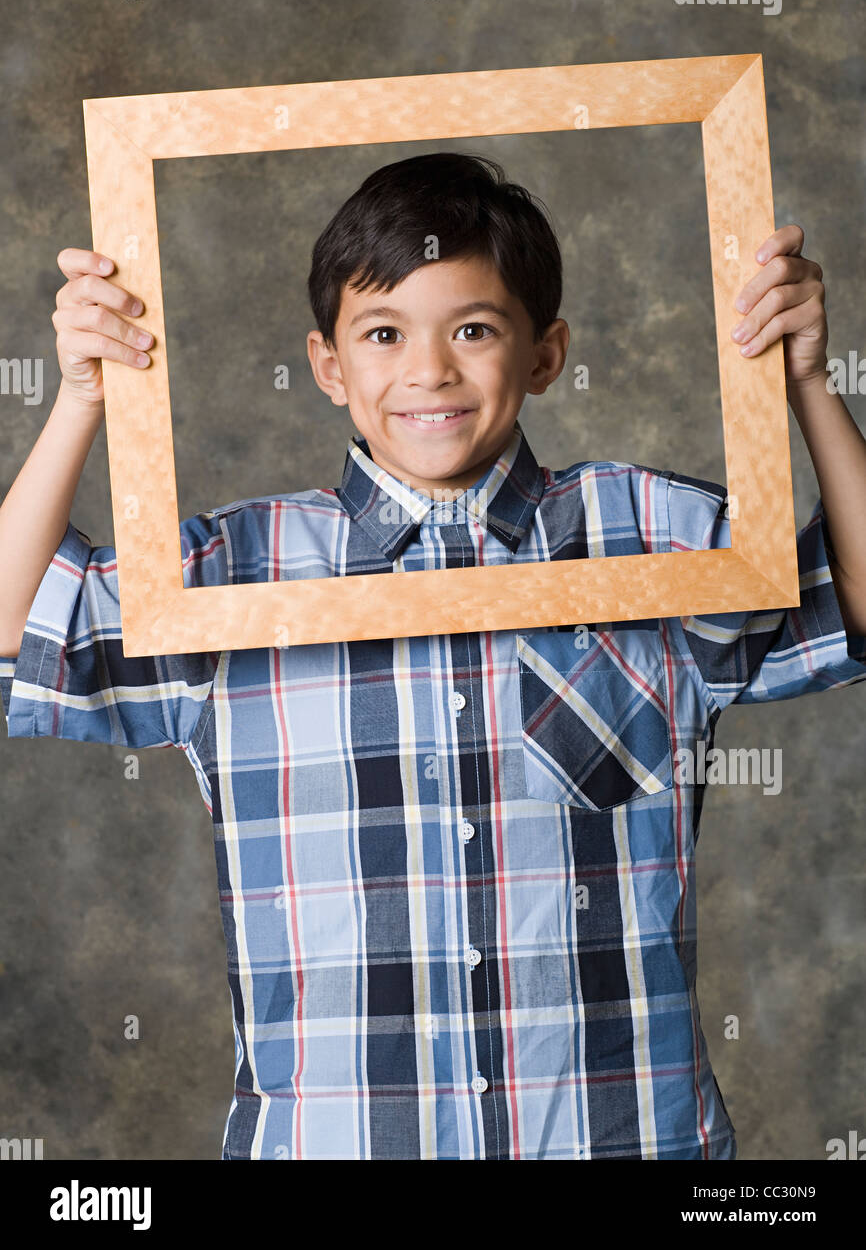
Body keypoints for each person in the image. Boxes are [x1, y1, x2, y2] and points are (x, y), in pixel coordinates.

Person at [1, 152, 865, 1160]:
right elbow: (17, 627)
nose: (427, 372)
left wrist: (803, 379)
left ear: (545, 354)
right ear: (328, 365)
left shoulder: (653, 535)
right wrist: (80, 401)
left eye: (472, 329)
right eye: (381, 333)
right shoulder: (226, 578)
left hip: (623, 1141)